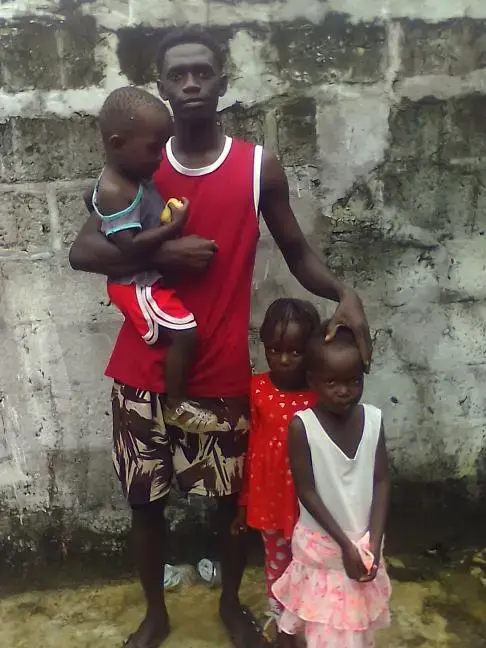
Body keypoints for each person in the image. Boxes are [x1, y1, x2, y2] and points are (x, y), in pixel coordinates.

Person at [68, 27, 372, 648]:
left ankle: (232, 605)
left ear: (223, 83)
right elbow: (83, 250)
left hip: (221, 375)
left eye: (202, 72)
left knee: (227, 507)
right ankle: (155, 613)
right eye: (177, 75)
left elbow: (295, 249)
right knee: (144, 503)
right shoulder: (140, 167)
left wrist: (344, 293)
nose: (190, 84)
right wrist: (168, 249)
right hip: (140, 373)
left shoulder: (257, 166)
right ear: (161, 87)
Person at [94, 86, 227, 434]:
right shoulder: (113, 190)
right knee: (184, 333)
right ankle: (176, 405)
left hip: (143, 284)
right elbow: (130, 246)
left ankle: (174, 401)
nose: (160, 157)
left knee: (183, 331)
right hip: (134, 285)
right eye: (155, 148)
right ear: (117, 143)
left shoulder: (133, 177)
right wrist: (174, 231)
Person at [272, 323, 391, 648]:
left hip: (363, 545)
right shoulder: (303, 427)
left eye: (354, 381)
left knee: (342, 625)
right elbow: (306, 491)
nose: (345, 391)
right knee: (310, 621)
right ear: (312, 381)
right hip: (321, 550)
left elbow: (381, 481)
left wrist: (374, 543)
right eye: (332, 382)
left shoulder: (374, 420)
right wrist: (344, 545)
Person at [231, 298, 320, 645]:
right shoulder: (257, 389)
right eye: (274, 349)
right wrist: (243, 503)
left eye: (295, 351)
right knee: (277, 567)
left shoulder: (320, 394)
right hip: (269, 504)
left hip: (309, 508)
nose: (283, 359)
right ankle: (284, 626)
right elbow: (251, 450)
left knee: (310, 568)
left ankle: (311, 625)